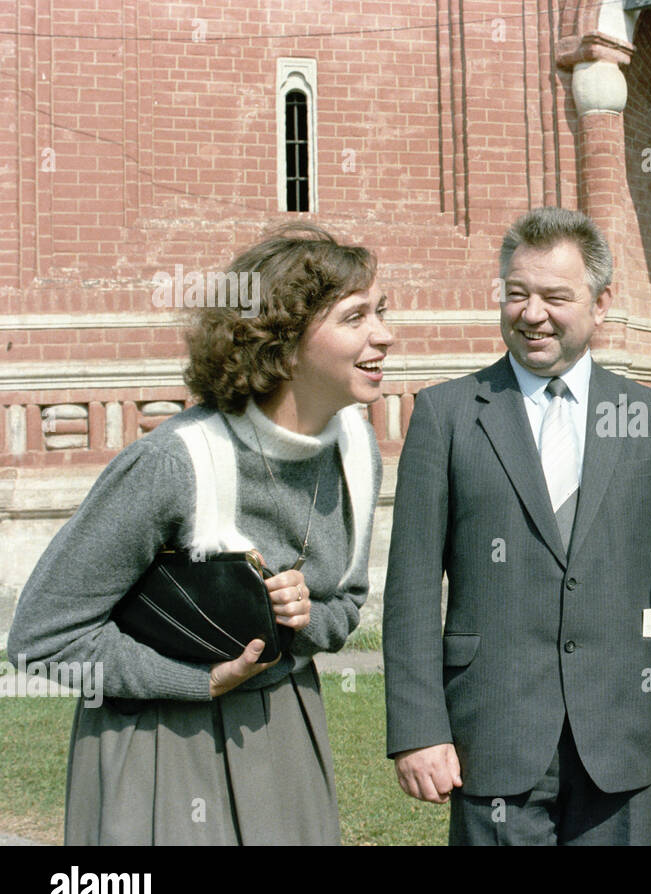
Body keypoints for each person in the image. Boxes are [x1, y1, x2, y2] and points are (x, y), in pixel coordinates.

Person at [8, 224, 389, 844]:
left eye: (381, 312)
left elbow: (345, 605)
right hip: (160, 744)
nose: (384, 335)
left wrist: (294, 619)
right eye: (355, 317)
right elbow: (41, 639)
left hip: (284, 730)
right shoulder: (173, 463)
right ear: (285, 345)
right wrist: (198, 681)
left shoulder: (356, 450)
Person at [383, 206, 651, 846]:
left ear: (601, 302)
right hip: (493, 738)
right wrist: (420, 727)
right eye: (517, 294)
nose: (532, 313)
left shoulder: (649, 417)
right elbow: (412, 589)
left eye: (555, 297)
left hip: (621, 740)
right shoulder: (446, 415)